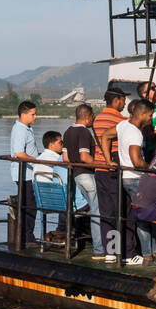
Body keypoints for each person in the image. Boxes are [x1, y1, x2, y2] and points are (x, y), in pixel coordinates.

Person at [62, 104, 104, 256]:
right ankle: (100, 249)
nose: (93, 120)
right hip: (87, 174)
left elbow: (65, 158)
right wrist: (103, 164)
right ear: (87, 117)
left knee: (94, 209)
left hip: (76, 177)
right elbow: (84, 157)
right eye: (92, 117)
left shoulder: (67, 132)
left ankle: (98, 244)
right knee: (97, 211)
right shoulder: (84, 132)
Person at [117, 99, 155, 260]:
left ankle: (151, 251)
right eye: (151, 115)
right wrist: (153, 170)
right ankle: (147, 253)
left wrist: (109, 159)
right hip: (135, 179)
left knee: (143, 214)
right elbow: (136, 161)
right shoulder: (135, 133)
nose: (151, 119)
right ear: (143, 114)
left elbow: (105, 135)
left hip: (126, 177)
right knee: (144, 216)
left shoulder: (122, 125)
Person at [93, 87, 127, 262]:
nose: (125, 103)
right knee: (120, 211)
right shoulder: (120, 120)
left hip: (99, 170)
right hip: (113, 171)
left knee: (106, 213)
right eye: (123, 99)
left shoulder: (97, 119)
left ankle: (110, 252)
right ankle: (124, 251)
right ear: (116, 100)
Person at [8, 101, 41, 245]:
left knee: (30, 205)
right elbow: (19, 153)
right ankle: (27, 237)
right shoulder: (21, 130)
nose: (36, 117)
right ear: (24, 114)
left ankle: (26, 236)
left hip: (29, 173)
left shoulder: (26, 128)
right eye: (33, 114)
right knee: (29, 206)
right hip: (25, 174)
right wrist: (37, 161)